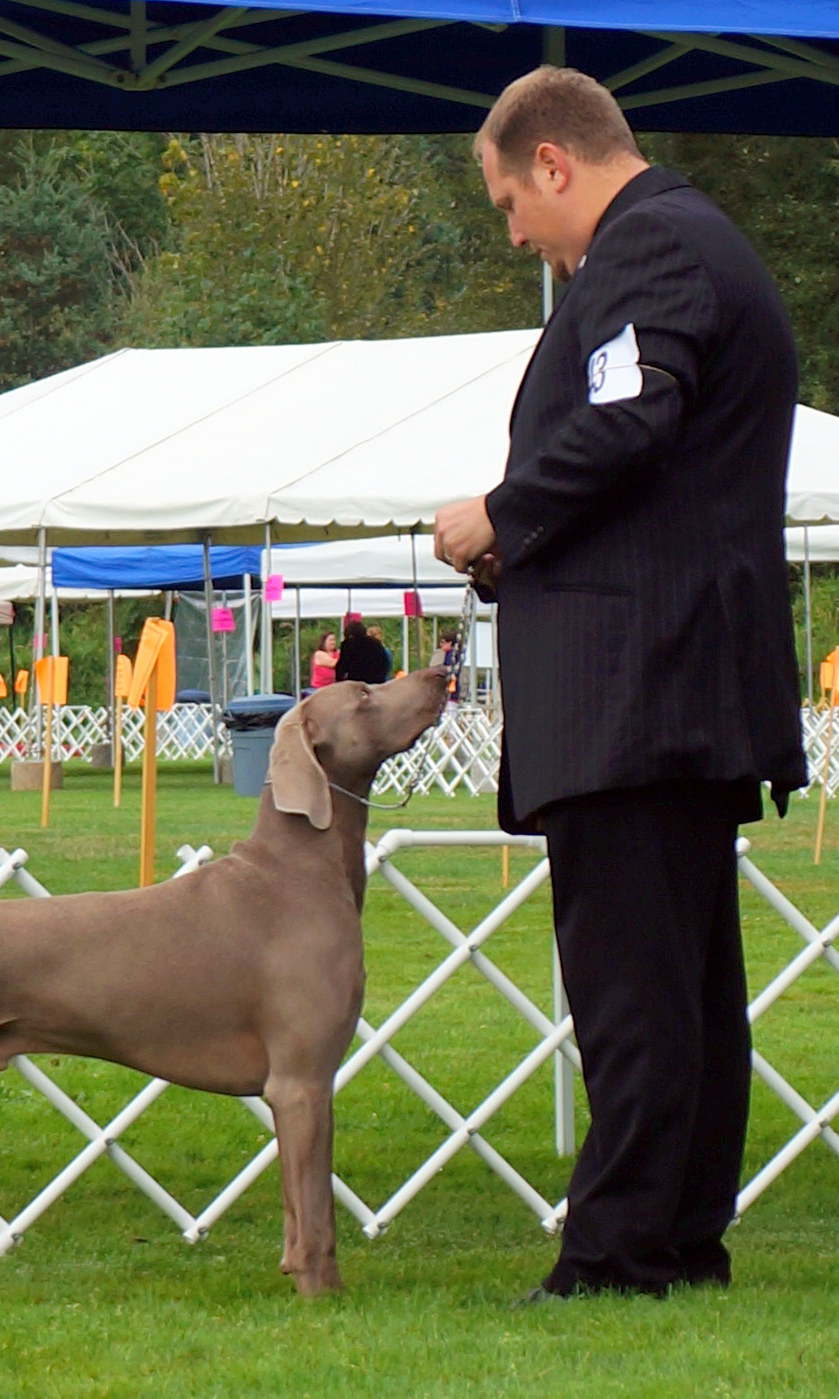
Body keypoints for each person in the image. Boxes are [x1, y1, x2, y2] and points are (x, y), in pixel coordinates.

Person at [434, 66, 806, 1300]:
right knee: (686, 990)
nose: (513, 235)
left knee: (633, 993)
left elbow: (627, 420)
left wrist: (499, 511)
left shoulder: (648, 250)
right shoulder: (690, 242)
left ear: (553, 162)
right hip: (678, 680)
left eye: (508, 203)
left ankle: (614, 1256)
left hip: (637, 687)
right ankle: (679, 1237)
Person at [335, 619, 390, 684]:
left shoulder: (348, 644)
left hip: (357, 681)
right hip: (377, 680)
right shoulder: (375, 643)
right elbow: (385, 662)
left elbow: (342, 665)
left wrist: (339, 679)